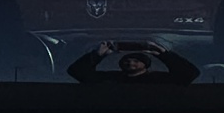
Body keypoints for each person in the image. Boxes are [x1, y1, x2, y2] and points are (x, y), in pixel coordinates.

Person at [67, 40, 199, 85]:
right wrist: (97, 55)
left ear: (145, 64)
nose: (130, 63)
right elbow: (76, 72)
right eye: (127, 61)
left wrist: (165, 55)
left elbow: (190, 74)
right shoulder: (109, 78)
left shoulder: (159, 79)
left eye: (136, 61)